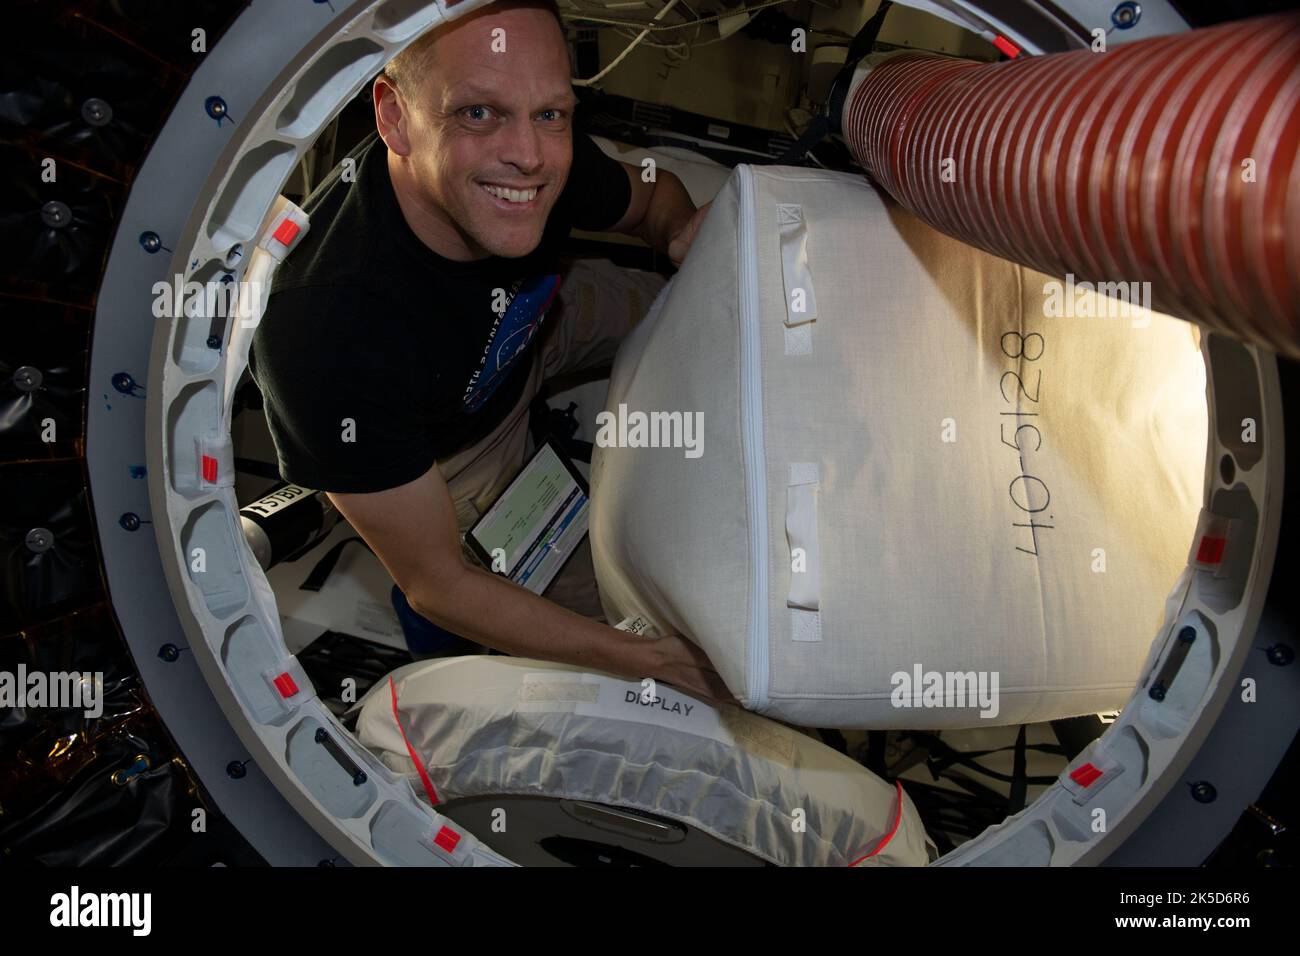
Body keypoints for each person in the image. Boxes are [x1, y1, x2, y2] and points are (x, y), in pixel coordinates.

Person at [248, 0, 729, 702]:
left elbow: (651, 198)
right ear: (393, 118)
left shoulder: (535, 165)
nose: (530, 158)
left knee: (701, 317)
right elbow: (439, 581)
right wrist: (649, 662)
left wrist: (682, 231)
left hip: (543, 316)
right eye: (478, 113)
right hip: (456, 446)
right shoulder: (326, 332)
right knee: (622, 618)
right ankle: (433, 641)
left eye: (551, 114)